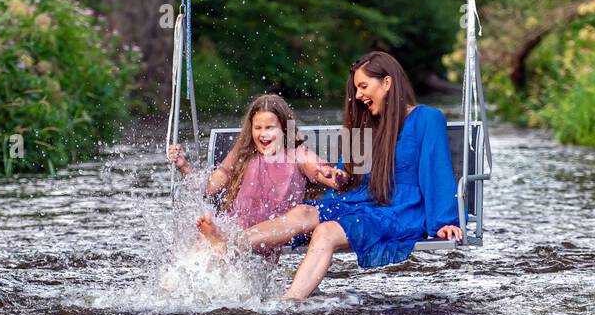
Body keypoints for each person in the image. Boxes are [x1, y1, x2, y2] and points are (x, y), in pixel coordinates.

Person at [197, 52, 461, 298]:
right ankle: (229, 242)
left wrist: (443, 222)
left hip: (401, 210)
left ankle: (289, 302)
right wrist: (336, 176)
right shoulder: (368, 124)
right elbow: (349, 174)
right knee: (302, 213)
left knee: (325, 231)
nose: (358, 95)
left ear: (387, 82)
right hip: (363, 201)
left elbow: (436, 170)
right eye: (356, 89)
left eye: (363, 86)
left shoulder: (427, 118)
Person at [167, 94, 346, 238]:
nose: (263, 134)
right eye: (258, 128)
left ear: (284, 129)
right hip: (237, 226)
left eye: (270, 128)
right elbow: (209, 187)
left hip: (271, 234)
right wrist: (183, 165)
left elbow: (321, 171)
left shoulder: (297, 154)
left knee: (223, 246)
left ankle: (220, 240)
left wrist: (332, 174)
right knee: (199, 253)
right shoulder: (243, 154)